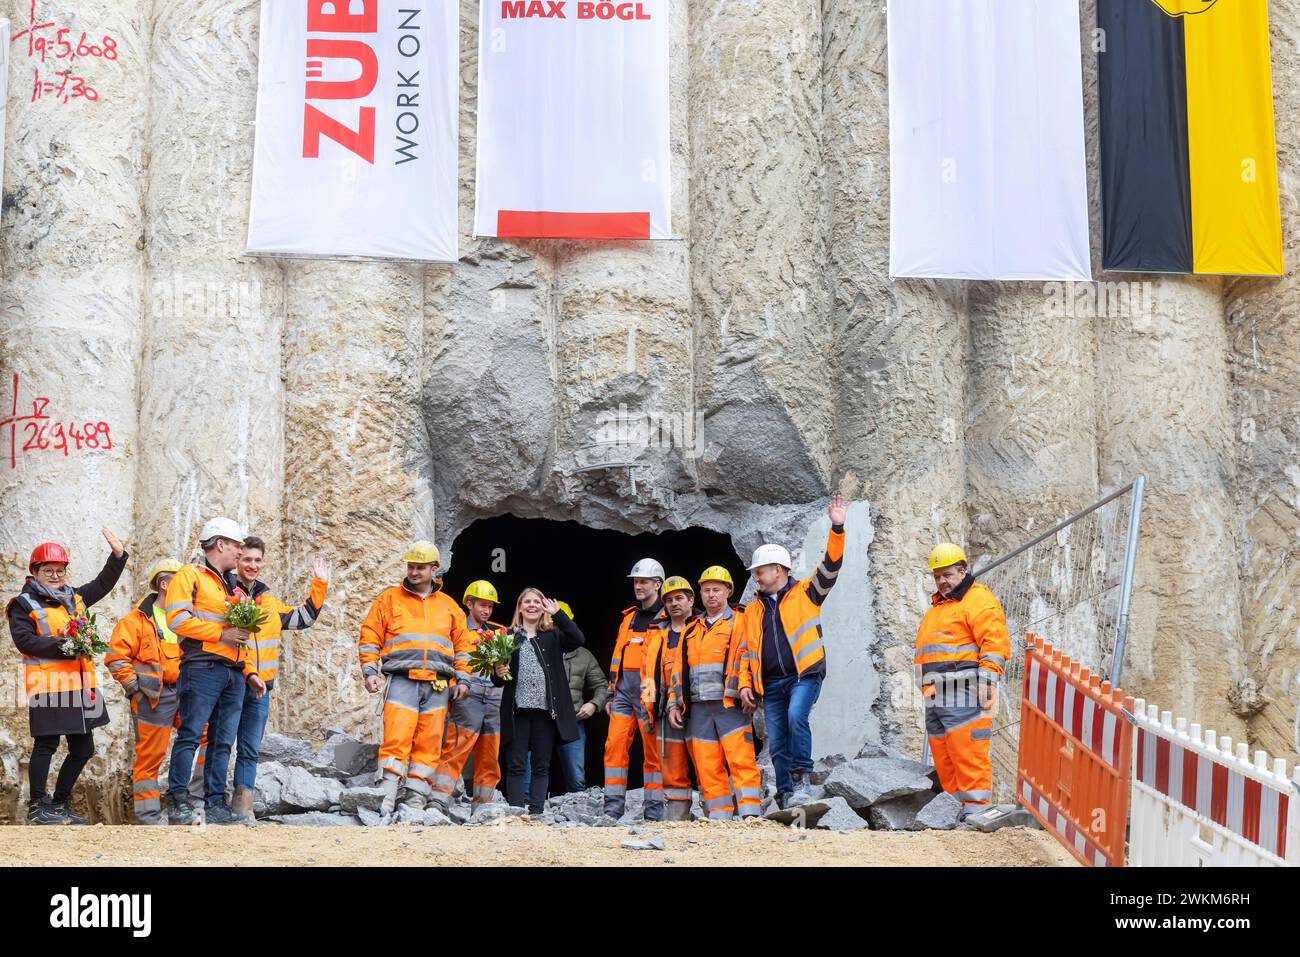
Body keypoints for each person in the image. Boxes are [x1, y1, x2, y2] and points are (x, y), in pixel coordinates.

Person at [731, 495, 847, 809]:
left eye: (761, 570)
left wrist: (837, 527)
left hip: (804, 675)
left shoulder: (806, 593)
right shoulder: (751, 611)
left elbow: (831, 566)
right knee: (778, 740)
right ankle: (785, 793)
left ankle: (802, 780)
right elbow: (745, 651)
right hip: (769, 683)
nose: (756, 576)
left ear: (779, 570)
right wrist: (744, 684)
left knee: (798, 716)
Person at [7, 530, 128, 825]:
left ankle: (59, 805)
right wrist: (66, 646)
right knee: (46, 745)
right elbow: (25, 642)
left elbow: (102, 584)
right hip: (49, 684)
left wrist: (118, 556)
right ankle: (38, 807)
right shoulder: (23, 604)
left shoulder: (74, 597)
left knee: (84, 748)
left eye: (59, 570)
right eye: (48, 570)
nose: (55, 575)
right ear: (35, 572)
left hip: (81, 684)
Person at [359, 541, 473, 817]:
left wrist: (463, 679)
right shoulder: (389, 599)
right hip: (402, 679)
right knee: (397, 737)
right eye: (411, 566)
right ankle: (385, 798)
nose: (414, 571)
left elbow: (464, 646)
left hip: (438, 684)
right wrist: (370, 671)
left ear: (434, 569)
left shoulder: (449, 606)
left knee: (429, 742)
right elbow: (370, 637)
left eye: (420, 567)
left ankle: (415, 800)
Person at [163, 517, 265, 824]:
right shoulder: (189, 575)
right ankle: (178, 801)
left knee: (223, 741)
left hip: (233, 672)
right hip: (202, 668)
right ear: (220, 544)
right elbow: (177, 620)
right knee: (191, 735)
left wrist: (249, 672)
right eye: (236, 545)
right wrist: (221, 634)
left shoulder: (232, 584)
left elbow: (239, 636)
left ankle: (215, 804)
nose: (240, 551)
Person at [221, 536, 329, 820]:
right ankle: (209, 803)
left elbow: (303, 618)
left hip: (260, 691)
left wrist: (320, 584)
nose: (252, 565)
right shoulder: (224, 595)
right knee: (219, 744)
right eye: (247, 559)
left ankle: (242, 810)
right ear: (237, 561)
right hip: (230, 684)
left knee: (249, 749)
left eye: (257, 560)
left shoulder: (269, 603)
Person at [914, 543, 1010, 817]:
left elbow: (995, 639)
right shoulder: (940, 607)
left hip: (964, 690)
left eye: (947, 575)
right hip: (936, 692)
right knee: (945, 754)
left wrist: (988, 679)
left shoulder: (977, 599)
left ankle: (977, 810)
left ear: (963, 571)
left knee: (967, 749)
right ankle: (955, 811)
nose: (941, 581)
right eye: (937, 576)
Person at [670, 566, 763, 819]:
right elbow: (678, 669)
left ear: (727, 592)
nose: (711, 595)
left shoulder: (741, 621)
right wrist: (673, 703)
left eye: (716, 590)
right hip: (697, 707)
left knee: (741, 759)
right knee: (707, 763)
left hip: (729, 704)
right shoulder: (691, 629)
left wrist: (746, 687)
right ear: (699, 594)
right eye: (706, 590)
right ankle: (719, 817)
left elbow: (747, 656)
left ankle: (750, 815)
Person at [491, 588, 584, 813]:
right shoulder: (508, 637)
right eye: (527, 601)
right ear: (520, 606)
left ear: (542, 607)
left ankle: (536, 811)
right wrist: (498, 672)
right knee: (516, 763)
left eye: (536, 602)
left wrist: (558, 613)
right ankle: (515, 811)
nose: (532, 605)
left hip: (545, 712)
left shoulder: (553, 635)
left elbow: (578, 639)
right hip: (518, 711)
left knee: (542, 764)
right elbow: (497, 679)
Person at [106, 558, 183, 824]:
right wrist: (134, 689)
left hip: (187, 694)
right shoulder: (136, 620)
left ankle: (186, 805)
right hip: (153, 698)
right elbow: (115, 656)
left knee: (208, 739)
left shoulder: (186, 617)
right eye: (180, 582)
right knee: (150, 758)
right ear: (164, 584)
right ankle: (148, 818)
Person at [430, 580, 506, 813]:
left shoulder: (495, 633)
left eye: (490, 607)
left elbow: (499, 670)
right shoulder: (456, 628)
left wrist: (501, 674)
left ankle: (483, 807)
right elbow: (442, 662)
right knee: (456, 750)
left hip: (493, 701)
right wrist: (449, 689)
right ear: (469, 604)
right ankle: (438, 800)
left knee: (489, 757)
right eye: (482, 605)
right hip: (467, 699)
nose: (487, 611)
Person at [603, 558, 669, 821]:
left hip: (649, 691)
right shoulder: (628, 617)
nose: (638, 586)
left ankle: (653, 812)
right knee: (614, 747)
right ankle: (612, 810)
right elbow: (616, 656)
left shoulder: (667, 616)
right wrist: (611, 691)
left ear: (658, 584)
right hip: (622, 693)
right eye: (636, 581)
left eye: (643, 581)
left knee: (652, 751)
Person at [642, 576, 697, 820]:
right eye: (669, 600)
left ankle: (717, 816)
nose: (674, 603)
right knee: (672, 765)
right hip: (665, 710)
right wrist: (649, 707)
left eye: (679, 598)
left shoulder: (702, 627)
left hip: (696, 708)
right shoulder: (657, 636)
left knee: (706, 761)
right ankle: (678, 818)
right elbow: (647, 676)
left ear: (691, 600)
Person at [557, 602, 606, 792]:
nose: (558, 628)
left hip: (572, 720)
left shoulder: (584, 656)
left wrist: (593, 705)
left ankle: (576, 813)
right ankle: (525, 816)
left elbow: (601, 685)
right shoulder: (537, 650)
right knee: (531, 776)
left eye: (562, 623)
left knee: (577, 780)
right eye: (554, 623)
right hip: (540, 721)